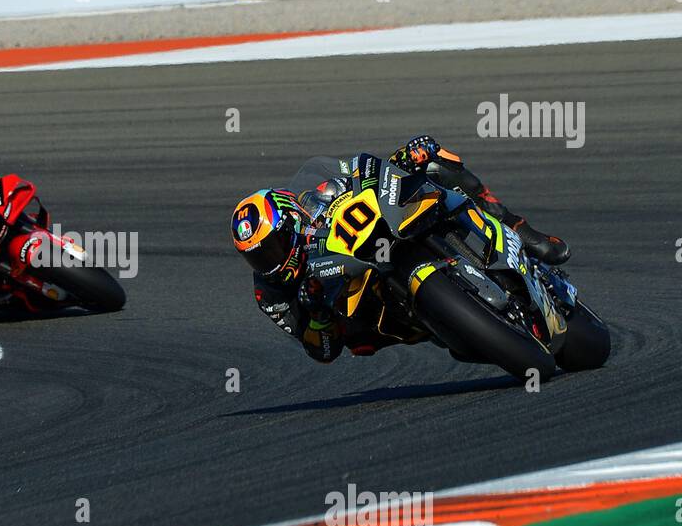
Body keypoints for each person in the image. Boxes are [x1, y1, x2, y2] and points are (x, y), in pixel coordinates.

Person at [231, 135, 569, 363]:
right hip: (374, 317)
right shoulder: (271, 294)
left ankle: (519, 229)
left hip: (390, 230)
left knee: (433, 160)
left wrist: (404, 158)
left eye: (272, 247)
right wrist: (318, 313)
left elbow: (359, 169)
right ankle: (456, 320)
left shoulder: (316, 197)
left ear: (292, 220)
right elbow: (323, 352)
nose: (268, 261)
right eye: (257, 257)